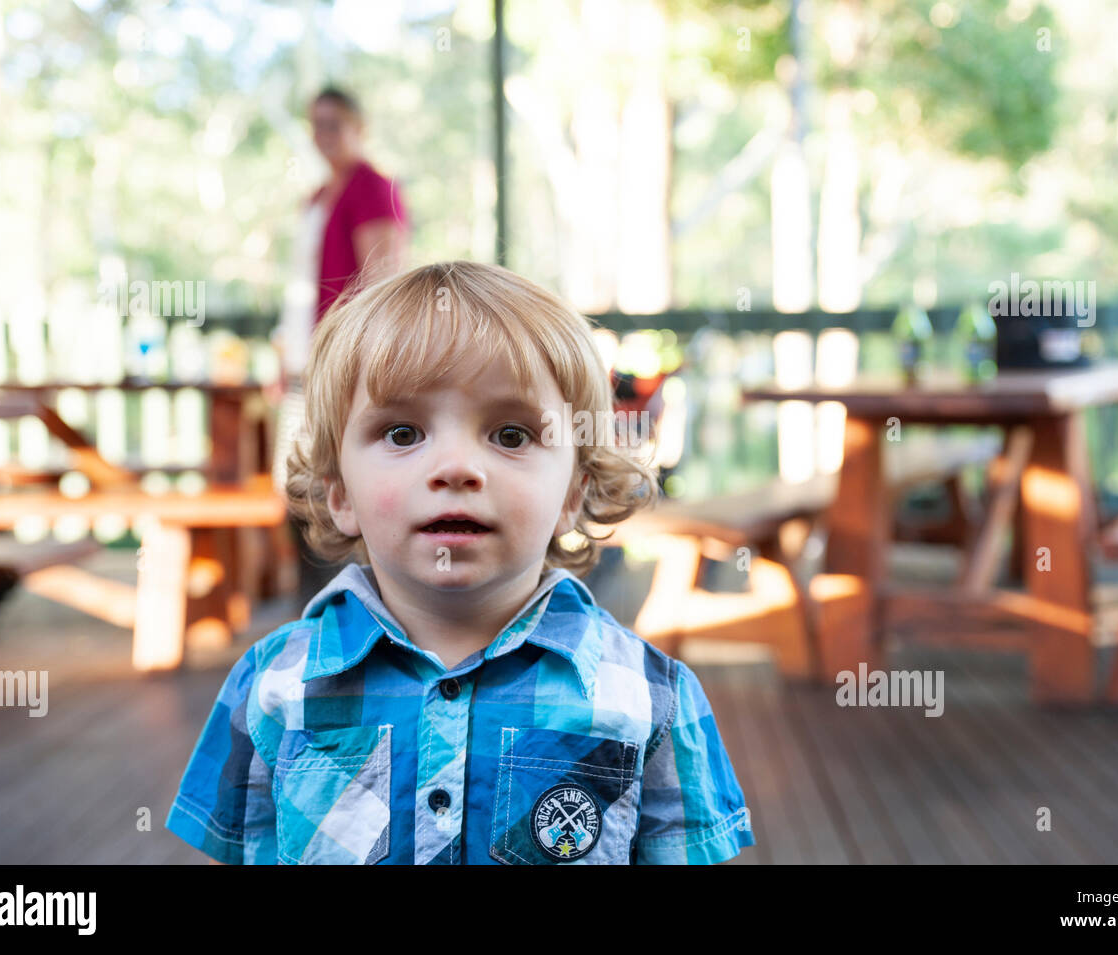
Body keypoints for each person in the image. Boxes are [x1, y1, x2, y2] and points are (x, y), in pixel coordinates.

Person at [165, 261, 755, 865]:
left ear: (573, 492)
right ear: (338, 491)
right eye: (401, 432)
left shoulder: (651, 699)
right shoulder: (272, 686)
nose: (455, 467)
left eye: (511, 435)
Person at [270, 86, 410, 610]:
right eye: (315, 124)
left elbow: (380, 277)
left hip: (340, 364)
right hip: (302, 364)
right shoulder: (316, 195)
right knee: (300, 487)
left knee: (336, 484)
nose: (322, 135)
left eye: (333, 123)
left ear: (358, 126)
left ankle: (354, 614)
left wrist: (362, 363)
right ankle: (313, 616)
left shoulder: (372, 186)